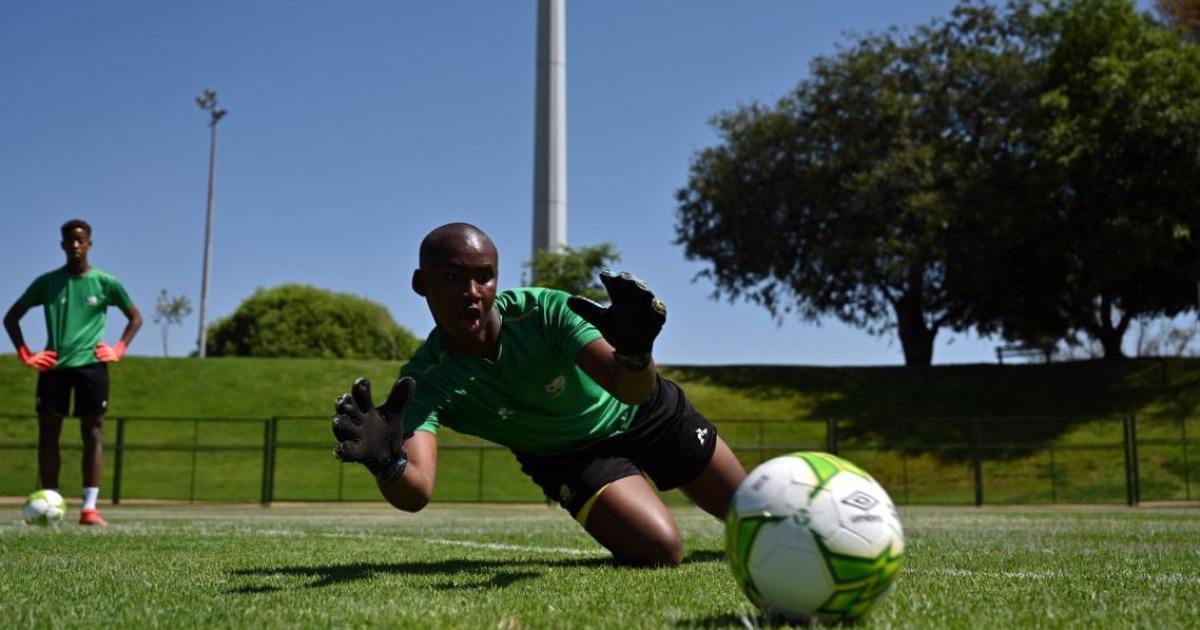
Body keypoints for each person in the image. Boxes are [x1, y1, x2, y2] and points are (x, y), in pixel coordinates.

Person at [332, 222, 747, 566]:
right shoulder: (426, 379)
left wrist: (637, 355)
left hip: (646, 412)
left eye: (484, 276)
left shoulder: (544, 312)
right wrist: (389, 465)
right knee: (660, 552)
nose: (473, 291)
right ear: (422, 283)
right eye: (454, 277)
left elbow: (629, 389)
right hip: (569, 457)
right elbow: (417, 492)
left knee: (757, 515)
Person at [3, 219, 143, 526]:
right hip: (54, 367)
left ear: (90, 244)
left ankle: (89, 508)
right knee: (48, 435)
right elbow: (11, 317)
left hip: (92, 368)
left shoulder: (106, 283)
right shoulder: (47, 283)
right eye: (70, 240)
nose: (76, 245)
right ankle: (48, 502)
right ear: (62, 245)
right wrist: (26, 354)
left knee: (92, 434)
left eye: (81, 240)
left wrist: (118, 348)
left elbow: (135, 317)